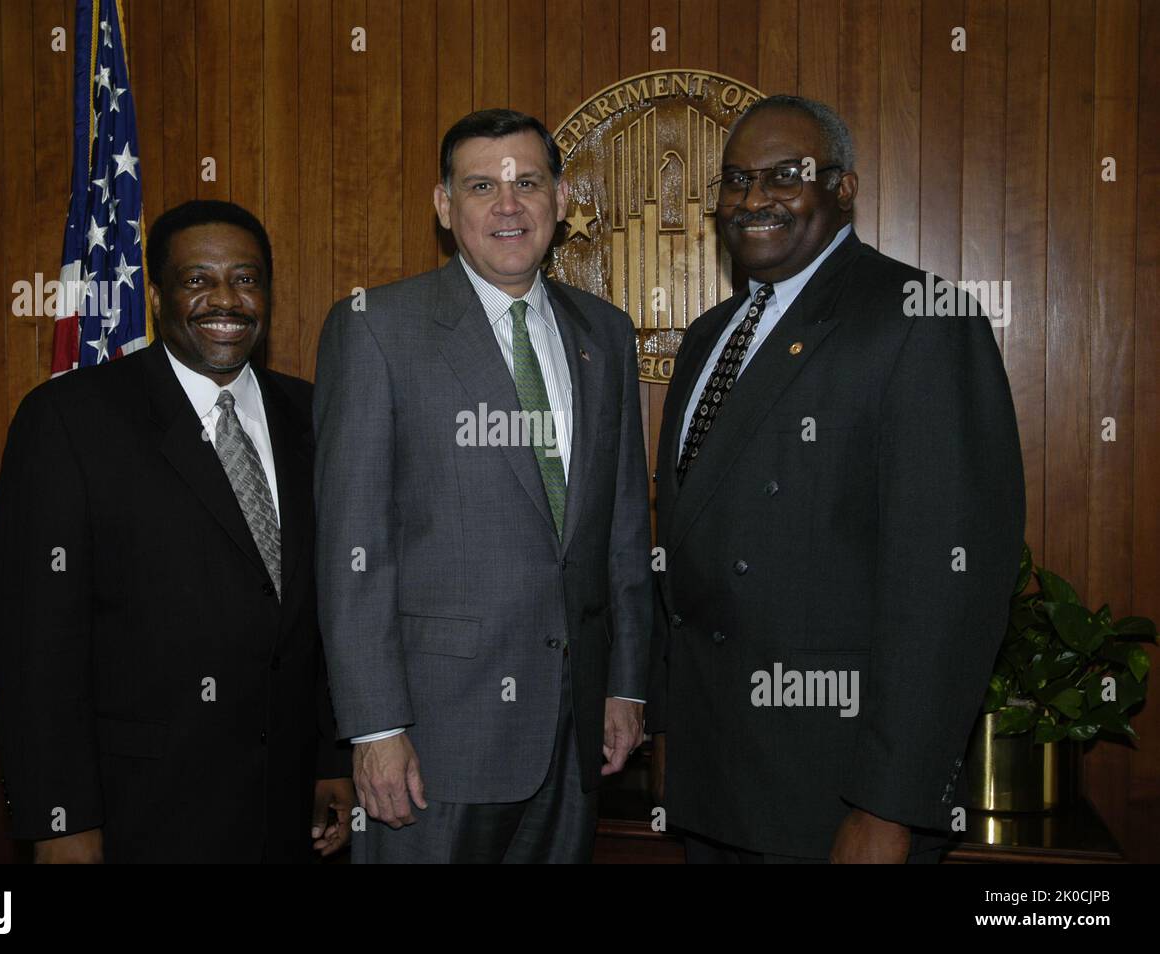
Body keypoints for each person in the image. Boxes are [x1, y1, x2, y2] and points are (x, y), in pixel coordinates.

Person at [646, 95, 1025, 863]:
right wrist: (668, 733)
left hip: (834, 798)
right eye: (736, 179)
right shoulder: (710, 338)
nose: (754, 198)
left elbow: (947, 590)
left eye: (787, 175)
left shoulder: (924, 318)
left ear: (843, 188)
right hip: (713, 788)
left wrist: (888, 805)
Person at [314, 109, 652, 863]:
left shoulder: (606, 334)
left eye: (527, 183)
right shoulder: (376, 329)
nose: (508, 205)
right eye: (481, 186)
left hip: (574, 738)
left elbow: (625, 530)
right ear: (444, 206)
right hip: (434, 743)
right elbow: (351, 548)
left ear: (560, 200)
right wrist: (375, 729)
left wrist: (625, 685)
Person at [0, 200, 353, 863]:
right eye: (197, 280)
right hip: (141, 814)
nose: (225, 298)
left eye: (245, 278)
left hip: (286, 809)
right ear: (155, 296)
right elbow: (35, 641)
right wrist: (60, 819)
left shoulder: (312, 415)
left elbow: (320, 615)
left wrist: (331, 758)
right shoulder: (68, 422)